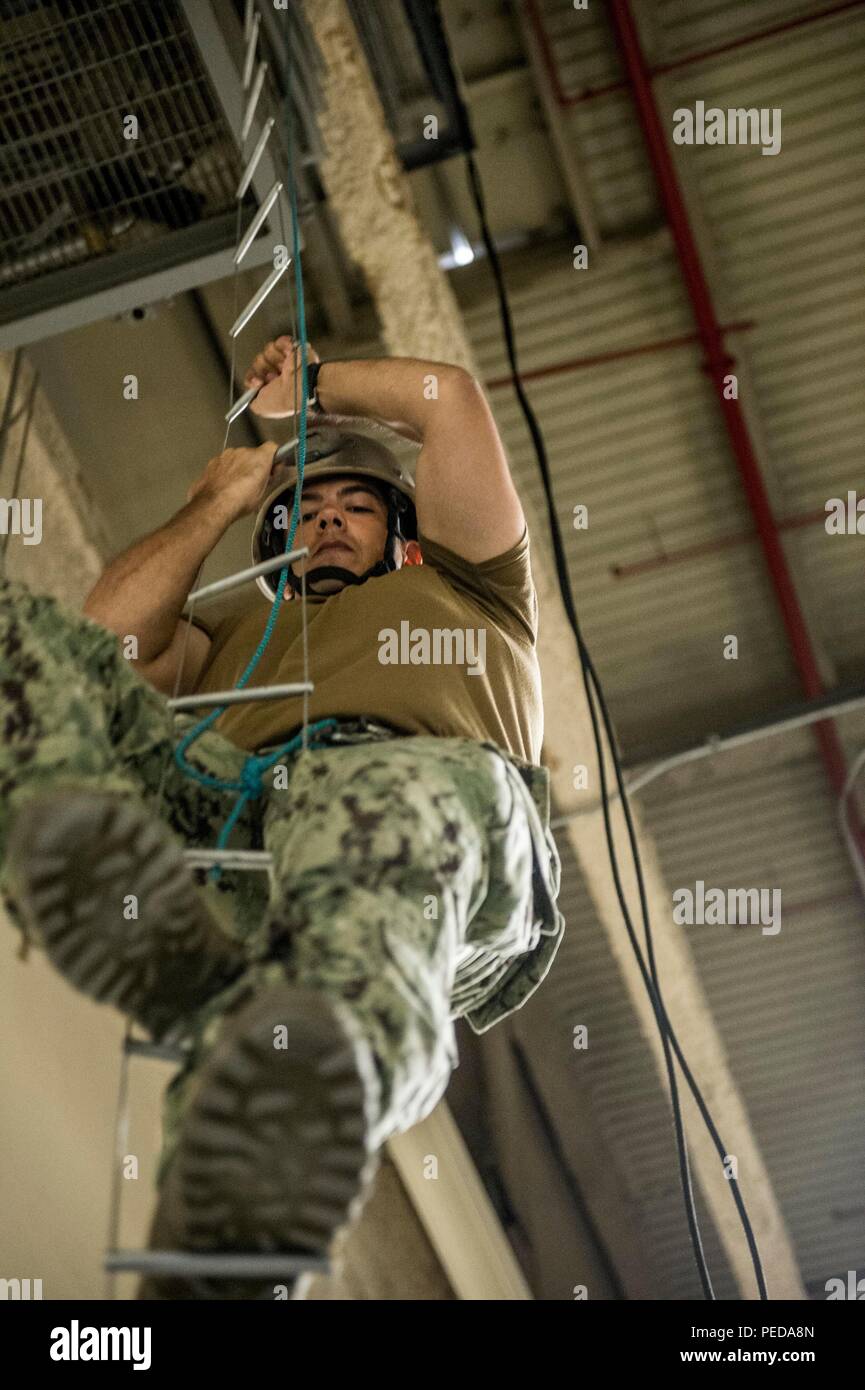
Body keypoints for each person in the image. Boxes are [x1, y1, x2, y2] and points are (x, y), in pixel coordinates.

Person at [0, 337, 565, 1299]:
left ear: (405, 532)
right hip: (240, 823)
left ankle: (281, 1142)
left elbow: (450, 402)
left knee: (374, 825)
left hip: (432, 816)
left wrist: (312, 391)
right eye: (302, 512)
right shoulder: (229, 641)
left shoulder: (478, 587)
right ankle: (192, 968)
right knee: (25, 643)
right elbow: (105, 642)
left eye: (354, 507)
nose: (327, 522)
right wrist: (217, 500)